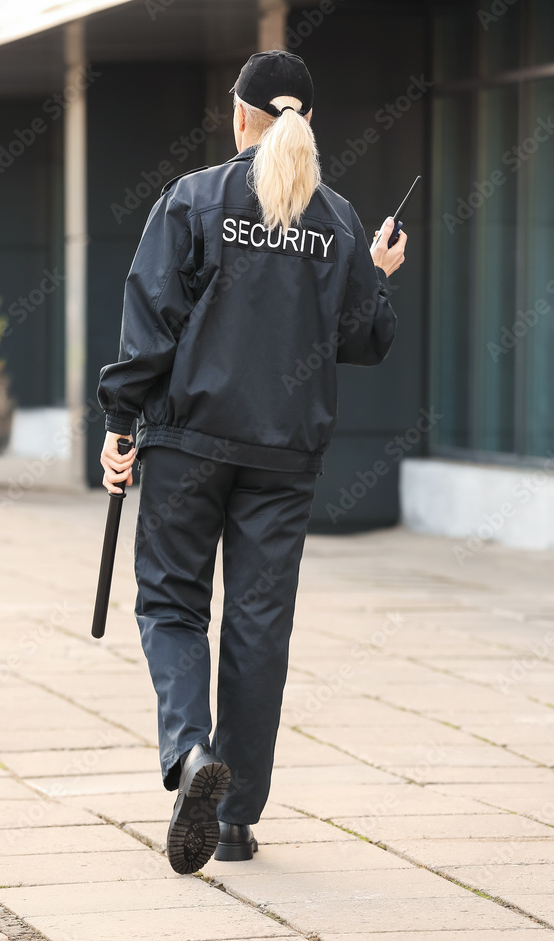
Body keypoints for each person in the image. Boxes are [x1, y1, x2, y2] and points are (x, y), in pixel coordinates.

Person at [97, 50, 406, 876]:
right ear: (309, 123)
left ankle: (192, 753)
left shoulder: (194, 198)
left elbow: (151, 319)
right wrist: (375, 278)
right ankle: (234, 822)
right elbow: (363, 340)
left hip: (190, 441)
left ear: (240, 117)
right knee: (260, 630)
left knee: (169, 603)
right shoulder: (338, 221)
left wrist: (121, 419)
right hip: (284, 456)